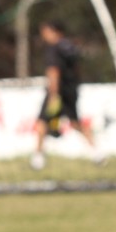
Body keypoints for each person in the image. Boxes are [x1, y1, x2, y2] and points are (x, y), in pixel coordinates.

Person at [30, 19, 99, 170]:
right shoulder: (71, 47)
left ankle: (38, 158)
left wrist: (53, 94)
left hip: (57, 92)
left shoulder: (54, 49)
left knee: (42, 122)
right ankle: (97, 153)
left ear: (54, 31)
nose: (43, 35)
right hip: (71, 90)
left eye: (45, 31)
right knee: (75, 122)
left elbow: (53, 71)